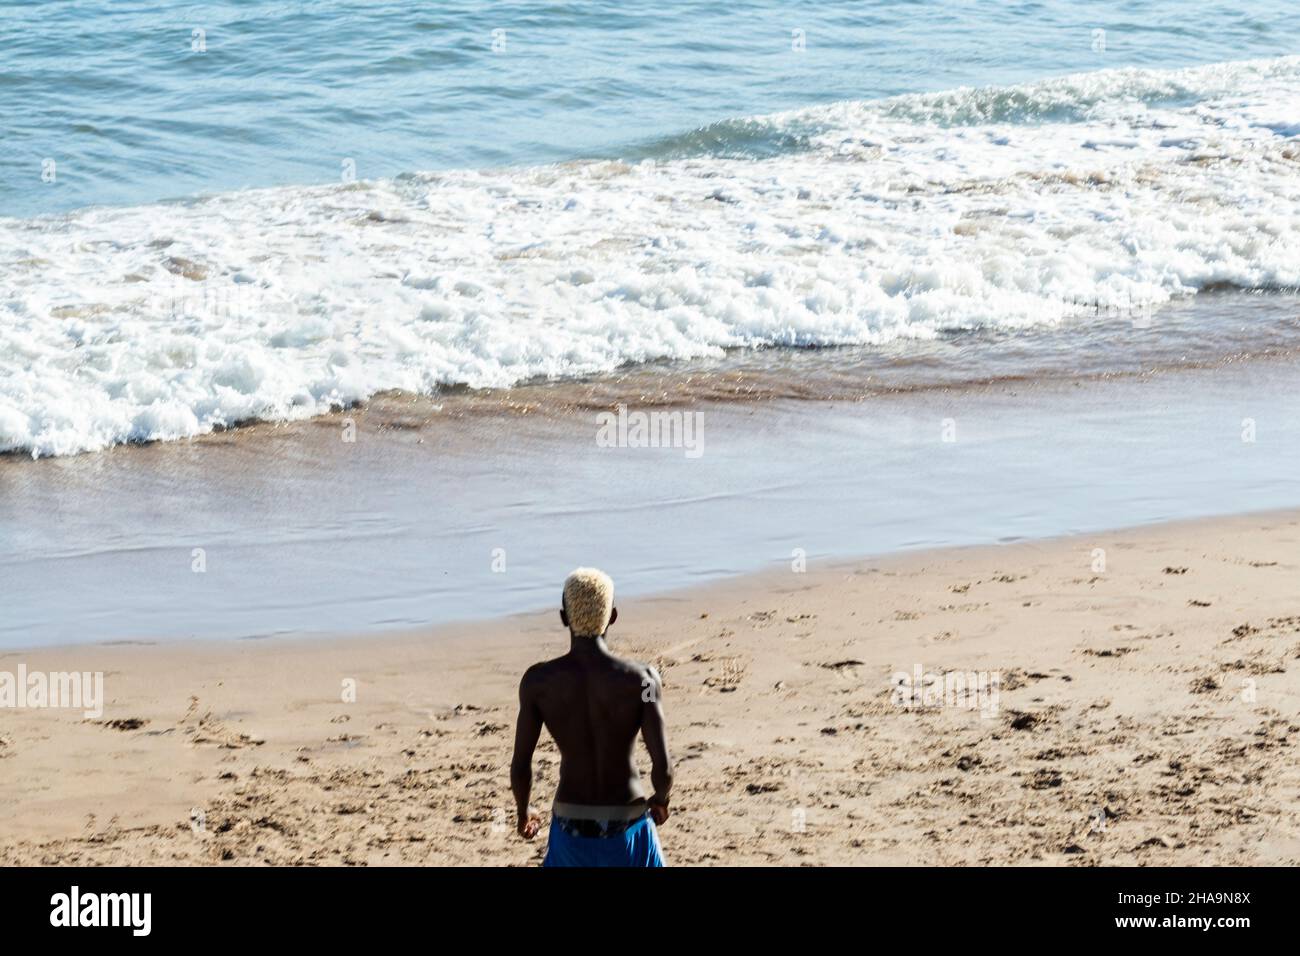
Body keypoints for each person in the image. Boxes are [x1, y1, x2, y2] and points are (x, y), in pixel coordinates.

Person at [510, 567, 673, 866]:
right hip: (628, 821)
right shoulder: (645, 681)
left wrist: (524, 811)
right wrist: (661, 799)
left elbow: (521, 765)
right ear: (612, 616)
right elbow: (662, 767)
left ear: (563, 618)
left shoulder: (537, 683)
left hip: (571, 822)